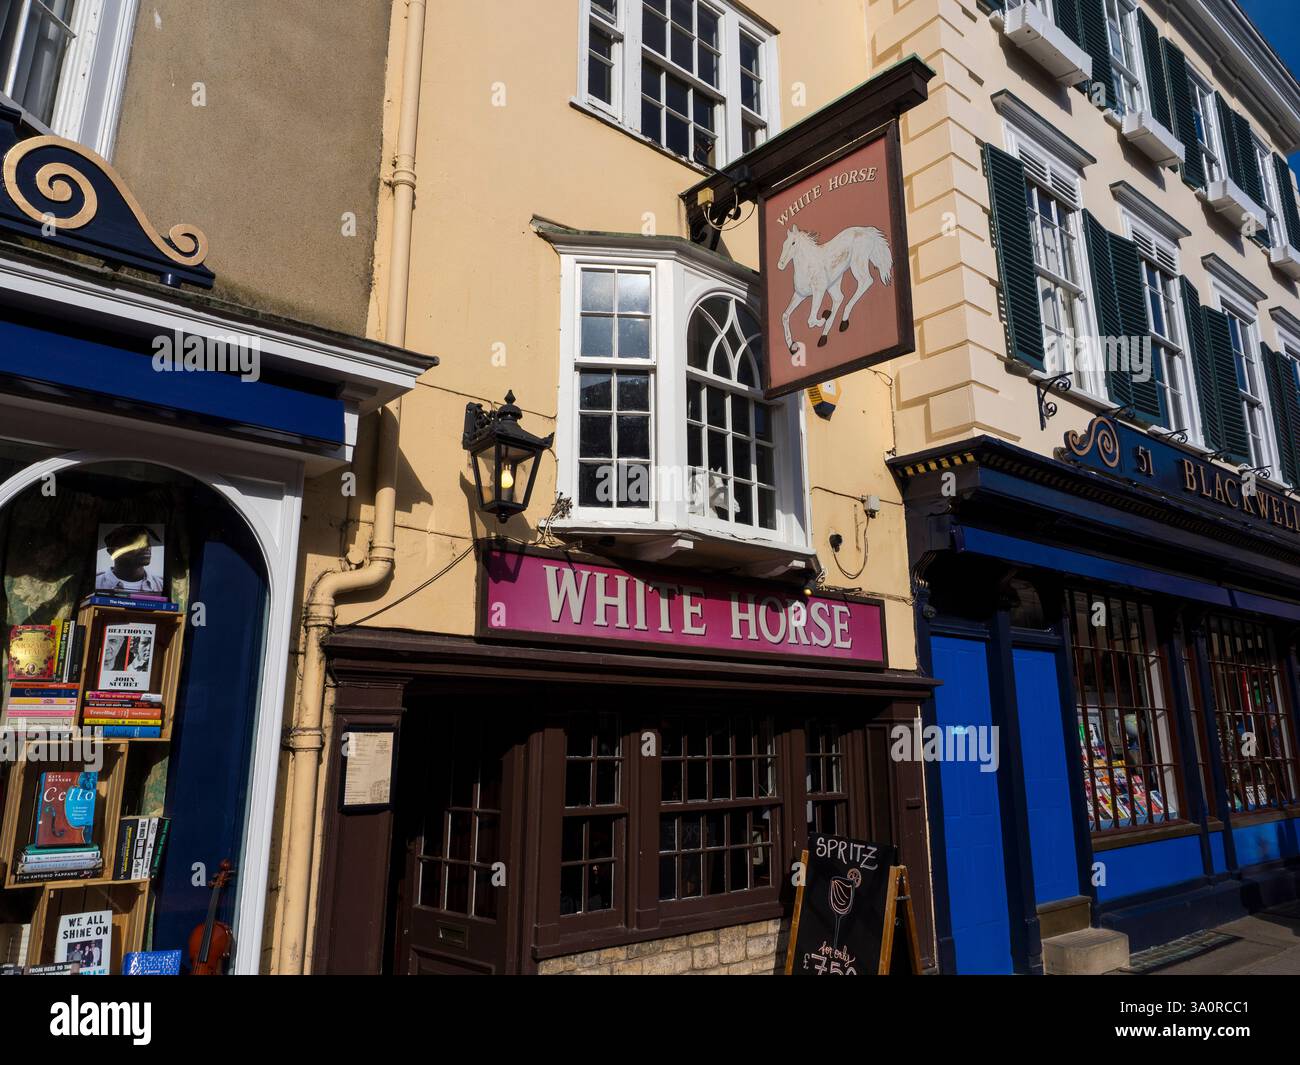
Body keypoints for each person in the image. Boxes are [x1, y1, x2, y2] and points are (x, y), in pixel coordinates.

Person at [95, 525, 164, 594]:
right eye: (135, 543)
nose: (146, 547)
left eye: (147, 542)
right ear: (112, 551)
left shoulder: (161, 585)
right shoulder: (96, 583)